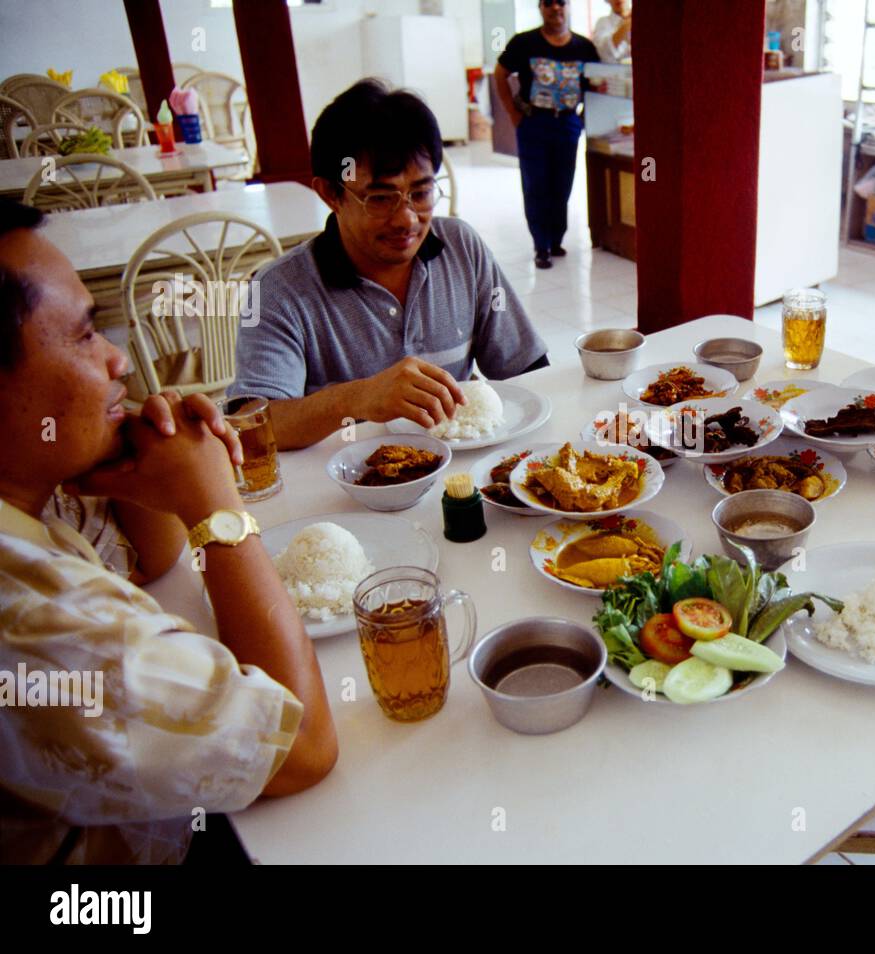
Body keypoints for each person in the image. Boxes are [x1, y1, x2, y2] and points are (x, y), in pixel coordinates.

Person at [0, 201, 338, 863]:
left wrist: (155, 465)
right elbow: (301, 749)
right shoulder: (38, 625)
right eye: (84, 335)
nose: (120, 361)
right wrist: (216, 505)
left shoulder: (31, 491)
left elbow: (149, 561)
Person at [231, 79, 548, 450]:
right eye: (380, 198)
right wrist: (356, 399)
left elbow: (527, 374)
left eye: (421, 193)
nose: (407, 220)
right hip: (344, 492)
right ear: (331, 193)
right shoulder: (279, 290)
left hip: (458, 479)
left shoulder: (460, 247)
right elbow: (251, 427)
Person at [494, 0, 600, 269]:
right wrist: (512, 113)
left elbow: (597, 84)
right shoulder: (524, 42)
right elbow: (500, 73)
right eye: (549, 3)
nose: (556, 8)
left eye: (561, 2)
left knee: (562, 184)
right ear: (541, 8)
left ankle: (556, 239)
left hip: (566, 124)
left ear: (567, 7)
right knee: (536, 185)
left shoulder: (584, 47)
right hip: (533, 123)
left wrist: (584, 119)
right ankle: (541, 245)